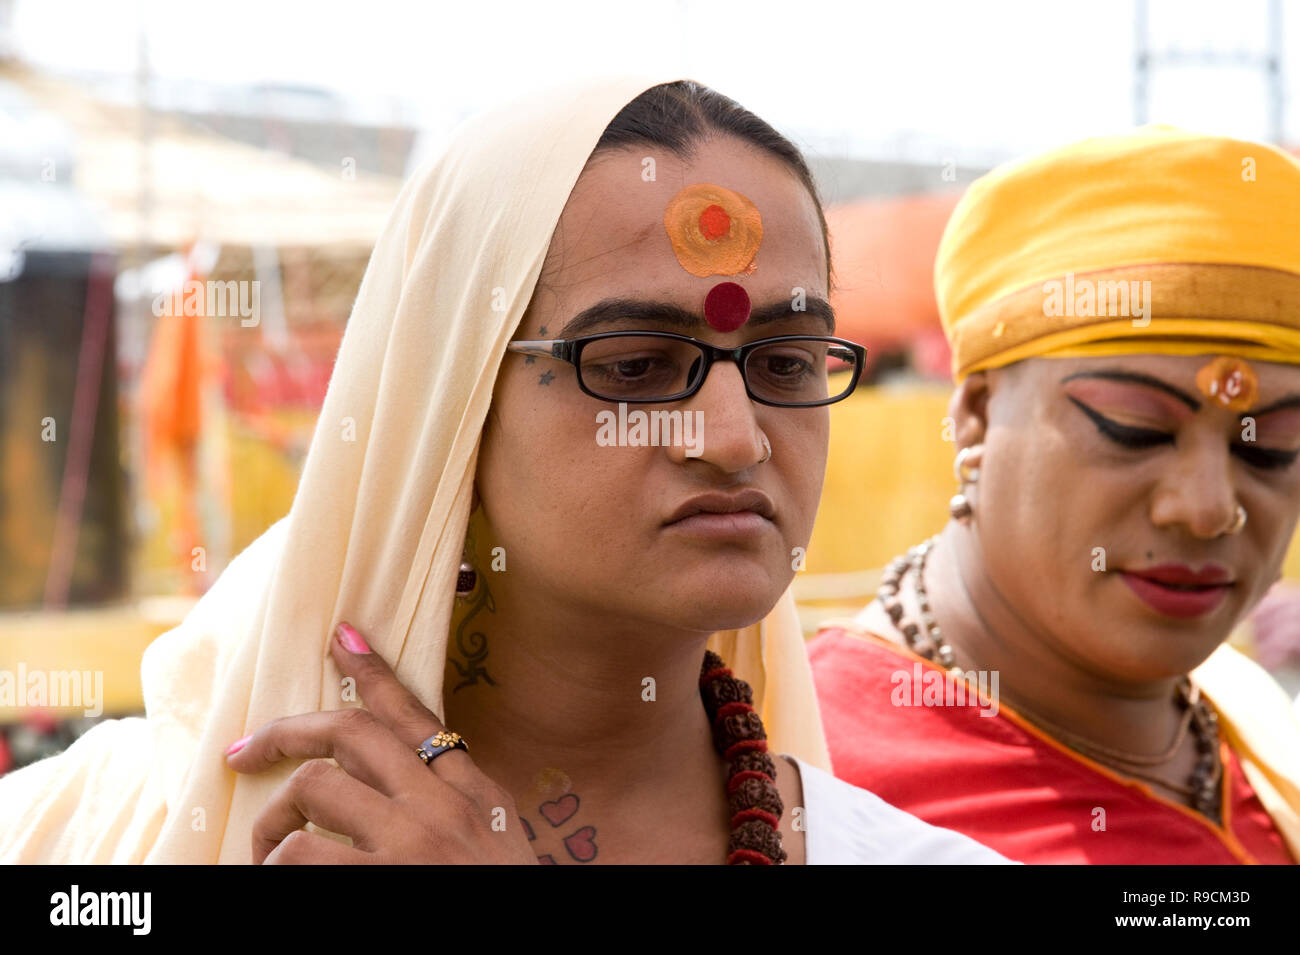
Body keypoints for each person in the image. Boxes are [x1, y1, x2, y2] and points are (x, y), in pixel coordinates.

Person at [0, 74, 1009, 865]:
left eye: (784, 364)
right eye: (635, 367)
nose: (737, 437)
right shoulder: (89, 833)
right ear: (454, 406)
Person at [810, 126, 1300, 864]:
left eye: (1269, 448)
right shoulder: (807, 778)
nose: (1205, 508)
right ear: (974, 415)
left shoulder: (1251, 723)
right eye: (1136, 430)